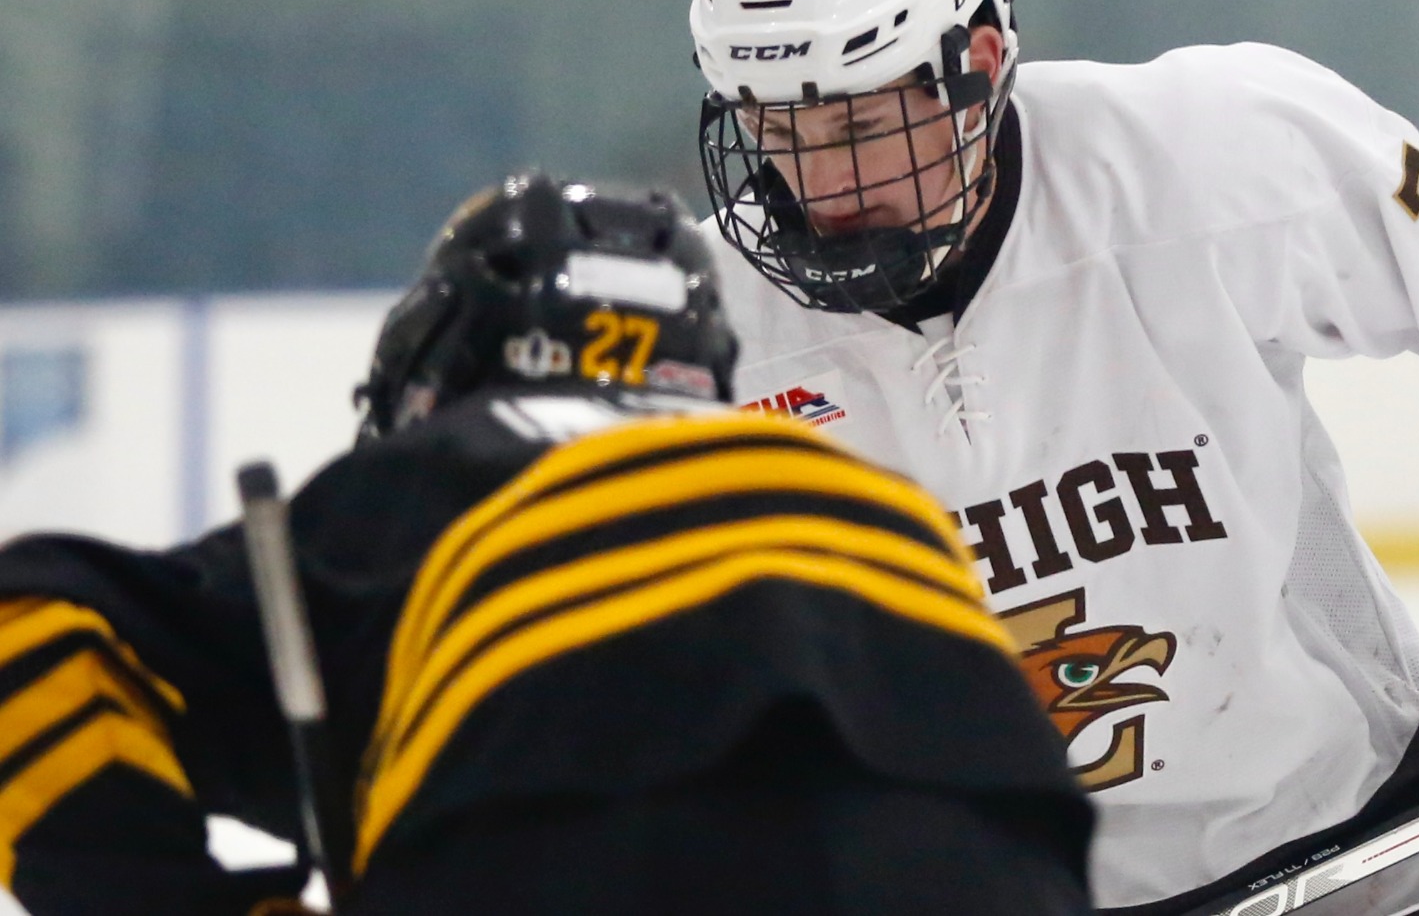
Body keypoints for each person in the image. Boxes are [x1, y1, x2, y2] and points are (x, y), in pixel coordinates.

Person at [688, 0, 1419, 916]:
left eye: (857, 123)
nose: (820, 187)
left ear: (978, 59)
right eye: (774, 128)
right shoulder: (699, 336)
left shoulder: (1215, 153)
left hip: (1352, 870)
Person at [0, 172, 1092, 916]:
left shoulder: (434, 483)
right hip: (989, 836)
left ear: (444, 369)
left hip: (567, 833)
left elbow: (29, 624)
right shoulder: (849, 491)